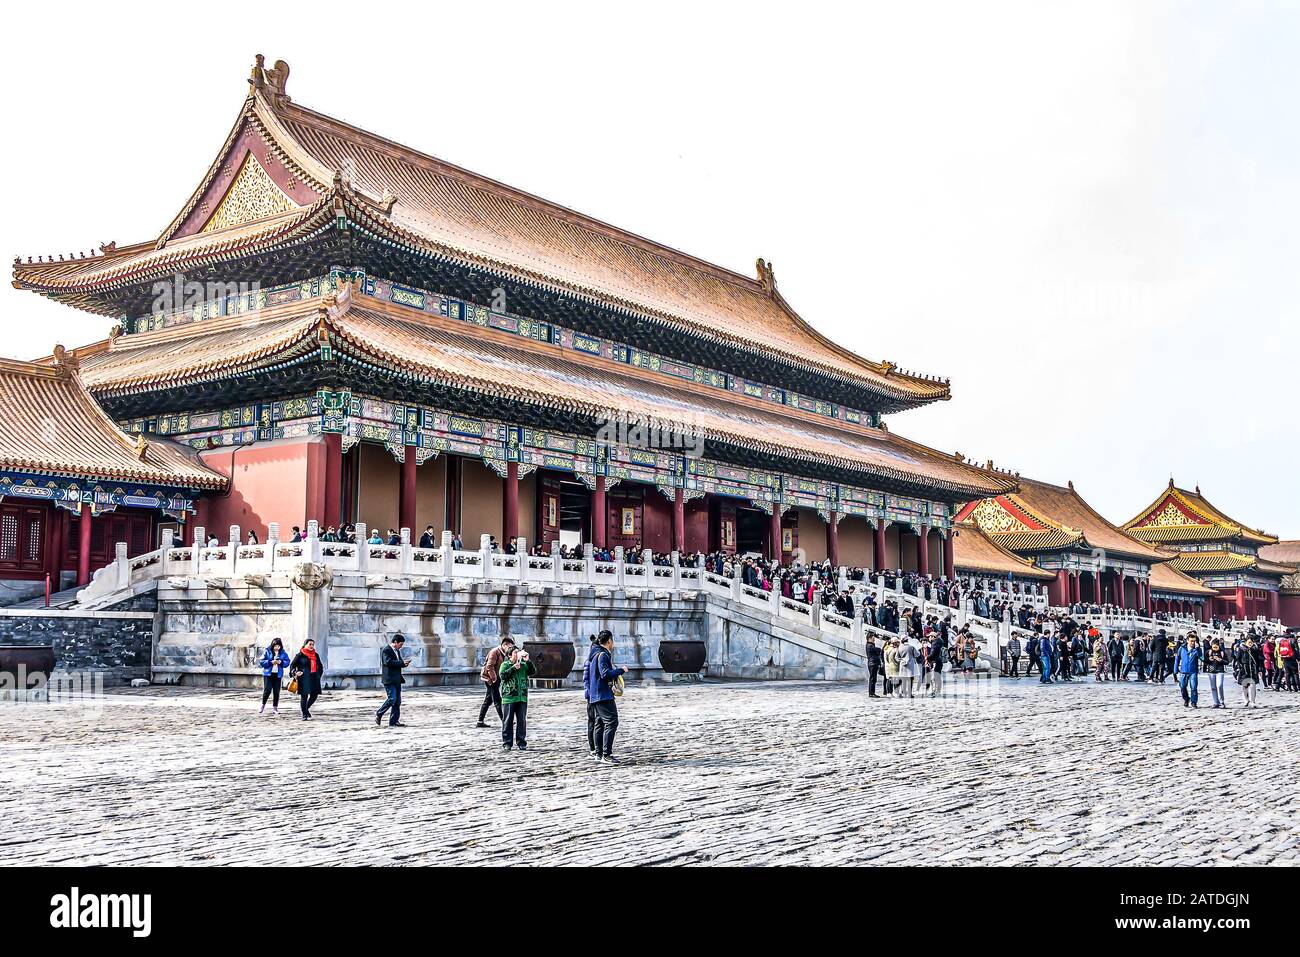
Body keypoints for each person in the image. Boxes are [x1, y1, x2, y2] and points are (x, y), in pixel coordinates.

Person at [584, 630, 627, 763]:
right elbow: (604, 674)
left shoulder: (594, 654)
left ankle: (598, 753)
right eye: (612, 640)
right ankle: (607, 754)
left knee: (600, 723)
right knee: (612, 721)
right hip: (603, 695)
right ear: (609, 641)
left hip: (595, 695)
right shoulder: (602, 654)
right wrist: (621, 670)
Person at [498, 644, 536, 751]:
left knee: (521, 721)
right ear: (510, 655)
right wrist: (513, 668)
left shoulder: (524, 665)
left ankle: (521, 742)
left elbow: (533, 671)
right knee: (508, 721)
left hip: (522, 697)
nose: (517, 653)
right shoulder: (506, 664)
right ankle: (507, 742)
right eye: (515, 652)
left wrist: (528, 661)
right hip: (509, 698)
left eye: (518, 652)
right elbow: (502, 676)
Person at [476, 637, 514, 728]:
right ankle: (505, 721)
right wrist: (494, 679)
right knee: (497, 701)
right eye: (510, 647)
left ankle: (480, 721)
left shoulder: (502, 653)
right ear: (504, 645)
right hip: (490, 679)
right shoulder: (495, 652)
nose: (511, 649)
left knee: (488, 700)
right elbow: (489, 667)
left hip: (494, 679)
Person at [375, 634, 411, 727]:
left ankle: (394, 721)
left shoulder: (397, 651)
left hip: (397, 679)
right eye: (400, 644)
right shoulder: (386, 650)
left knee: (397, 701)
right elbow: (387, 662)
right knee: (392, 699)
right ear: (395, 642)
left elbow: (398, 662)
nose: (401, 646)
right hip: (389, 679)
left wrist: (404, 664)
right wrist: (401, 663)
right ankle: (379, 713)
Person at [290, 638, 325, 720]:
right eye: (310, 644)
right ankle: (304, 714)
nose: (311, 646)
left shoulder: (316, 655)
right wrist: (295, 672)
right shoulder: (299, 655)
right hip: (304, 678)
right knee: (304, 696)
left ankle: (306, 709)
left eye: (313, 644)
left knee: (314, 695)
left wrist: (319, 675)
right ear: (305, 645)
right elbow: (292, 665)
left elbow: (320, 666)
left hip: (314, 678)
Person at [258, 637, 290, 714]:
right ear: (272, 645)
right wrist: (270, 662)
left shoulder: (283, 653)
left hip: (278, 675)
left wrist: (281, 662)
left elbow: (287, 662)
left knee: (276, 691)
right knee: (267, 690)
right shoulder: (267, 651)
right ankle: (263, 705)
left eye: (278, 646)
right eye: (275, 646)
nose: (277, 648)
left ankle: (275, 708)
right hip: (268, 674)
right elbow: (261, 661)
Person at [1175, 634, 1202, 708]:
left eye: (1194, 641)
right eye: (1191, 641)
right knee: (1182, 686)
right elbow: (1177, 658)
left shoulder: (1196, 649)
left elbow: (1201, 657)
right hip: (1183, 671)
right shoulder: (1182, 648)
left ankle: (1194, 702)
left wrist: (1198, 648)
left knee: (1193, 687)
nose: (1192, 643)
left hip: (1193, 671)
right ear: (1187, 641)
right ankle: (1186, 699)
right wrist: (1175, 669)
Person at [1236, 635, 1262, 707]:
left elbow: (1258, 660)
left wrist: (1259, 669)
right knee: (1245, 685)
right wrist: (1239, 666)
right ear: (1246, 642)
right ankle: (1246, 699)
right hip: (1244, 668)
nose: (1250, 644)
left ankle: (1253, 701)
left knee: (1253, 685)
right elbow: (1238, 658)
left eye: (1252, 642)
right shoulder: (1241, 649)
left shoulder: (1255, 649)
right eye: (1249, 642)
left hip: (1253, 669)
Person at [1204, 638, 1227, 709]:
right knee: (1213, 687)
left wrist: (1220, 660)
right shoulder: (1208, 652)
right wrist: (1208, 659)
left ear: (1219, 646)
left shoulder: (1222, 652)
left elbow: (1227, 662)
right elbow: (1205, 661)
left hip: (1220, 671)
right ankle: (1216, 702)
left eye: (1216, 647)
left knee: (1219, 685)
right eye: (1213, 647)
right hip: (1211, 671)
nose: (1214, 648)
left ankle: (1222, 702)